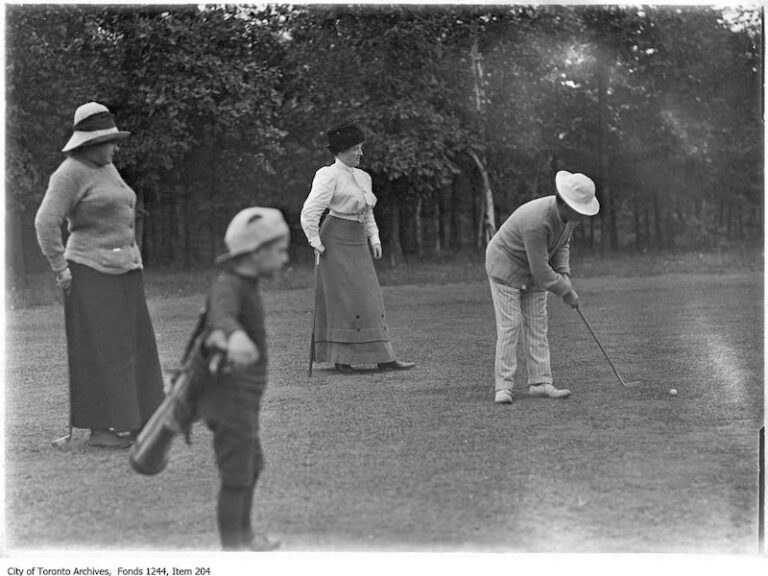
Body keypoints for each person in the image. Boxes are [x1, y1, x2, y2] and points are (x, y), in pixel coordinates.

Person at [34, 102, 164, 448]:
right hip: (90, 272)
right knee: (107, 350)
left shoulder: (108, 168)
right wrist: (61, 268)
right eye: (109, 140)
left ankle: (140, 423)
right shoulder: (70, 173)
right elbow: (46, 222)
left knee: (139, 347)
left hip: (126, 271)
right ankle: (104, 429)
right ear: (89, 142)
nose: (115, 146)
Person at [196, 206, 289, 551]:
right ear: (257, 251)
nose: (284, 259)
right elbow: (221, 316)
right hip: (228, 398)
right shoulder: (229, 285)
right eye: (279, 251)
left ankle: (245, 537)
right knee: (237, 474)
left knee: (251, 465)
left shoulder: (246, 283)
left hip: (242, 397)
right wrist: (232, 336)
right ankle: (232, 551)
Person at [300, 120, 415, 374]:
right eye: (356, 149)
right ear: (341, 151)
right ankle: (342, 358)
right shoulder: (328, 175)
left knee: (371, 296)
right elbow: (310, 211)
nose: (360, 153)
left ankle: (384, 357)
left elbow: (368, 212)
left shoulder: (363, 177)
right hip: (334, 240)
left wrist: (374, 238)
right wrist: (314, 240)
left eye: (361, 148)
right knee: (344, 298)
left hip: (358, 239)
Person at [485, 170, 599, 404]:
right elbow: (541, 270)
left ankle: (540, 383)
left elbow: (562, 245)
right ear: (564, 202)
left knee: (538, 323)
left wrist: (565, 276)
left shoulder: (570, 217)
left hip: (535, 266)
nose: (582, 215)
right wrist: (566, 292)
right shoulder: (536, 221)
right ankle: (503, 386)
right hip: (505, 265)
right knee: (511, 325)